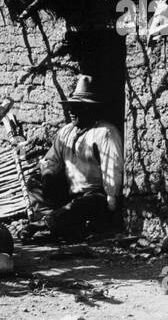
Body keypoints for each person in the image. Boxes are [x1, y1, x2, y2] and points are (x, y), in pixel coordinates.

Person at [27, 75, 123, 244]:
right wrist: (48, 174)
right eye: (71, 106)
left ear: (91, 109)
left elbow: (112, 169)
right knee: (35, 181)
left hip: (94, 195)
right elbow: (51, 159)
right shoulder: (66, 132)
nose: (71, 111)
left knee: (82, 205)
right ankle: (52, 222)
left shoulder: (105, 132)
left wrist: (111, 203)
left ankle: (46, 226)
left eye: (77, 108)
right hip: (69, 193)